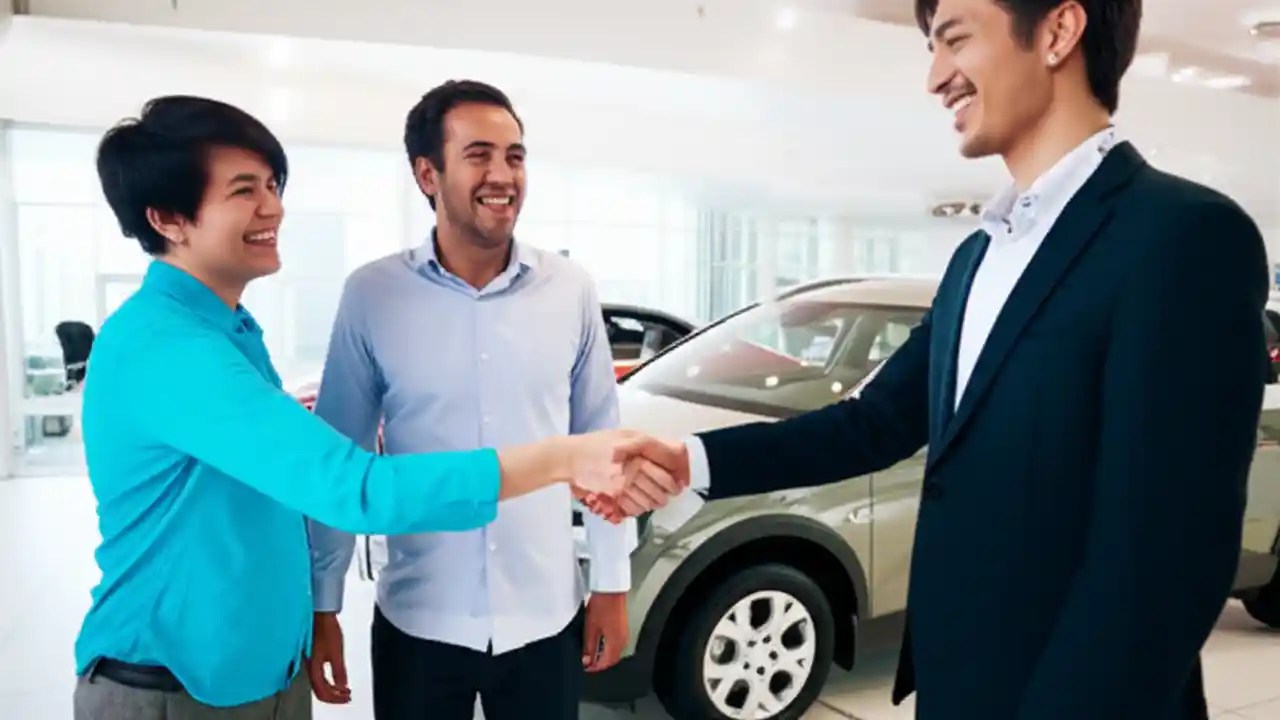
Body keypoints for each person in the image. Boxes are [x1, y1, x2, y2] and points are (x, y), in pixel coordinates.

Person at [609, 1, 1273, 718]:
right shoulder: (978, 256)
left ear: (1057, 31)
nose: (935, 78)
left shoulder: (1183, 238)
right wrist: (692, 460)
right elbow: (875, 424)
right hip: (962, 682)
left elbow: (1165, 560)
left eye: (954, 38)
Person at [72, 95, 631, 720]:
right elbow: (351, 483)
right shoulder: (171, 347)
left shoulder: (228, 330)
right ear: (169, 218)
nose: (273, 208)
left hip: (260, 671)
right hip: (177, 682)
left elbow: (284, 492)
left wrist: (610, 579)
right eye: (243, 191)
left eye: (272, 185)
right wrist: (560, 458)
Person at [305, 80, 658, 720]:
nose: (503, 175)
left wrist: (611, 582)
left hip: (545, 614)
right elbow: (339, 457)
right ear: (426, 174)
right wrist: (322, 600)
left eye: (515, 156)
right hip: (419, 615)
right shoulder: (372, 295)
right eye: (479, 155)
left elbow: (605, 445)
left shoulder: (570, 290)